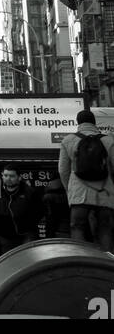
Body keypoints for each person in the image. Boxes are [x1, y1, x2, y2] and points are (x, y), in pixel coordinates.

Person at [58, 108, 114, 252]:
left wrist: (69, 190)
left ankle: (82, 262)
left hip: (79, 193)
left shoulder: (68, 140)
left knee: (77, 227)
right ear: (94, 122)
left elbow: (63, 170)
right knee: (105, 229)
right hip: (105, 192)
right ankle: (108, 266)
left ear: (78, 123)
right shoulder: (108, 140)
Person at [0, 165, 41, 262]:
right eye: (6, 175)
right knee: (9, 261)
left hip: (26, 232)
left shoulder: (29, 192)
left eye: (12, 176)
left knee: (29, 260)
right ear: (2, 176)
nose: (8, 178)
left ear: (19, 177)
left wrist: (28, 224)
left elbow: (38, 212)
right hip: (6, 234)